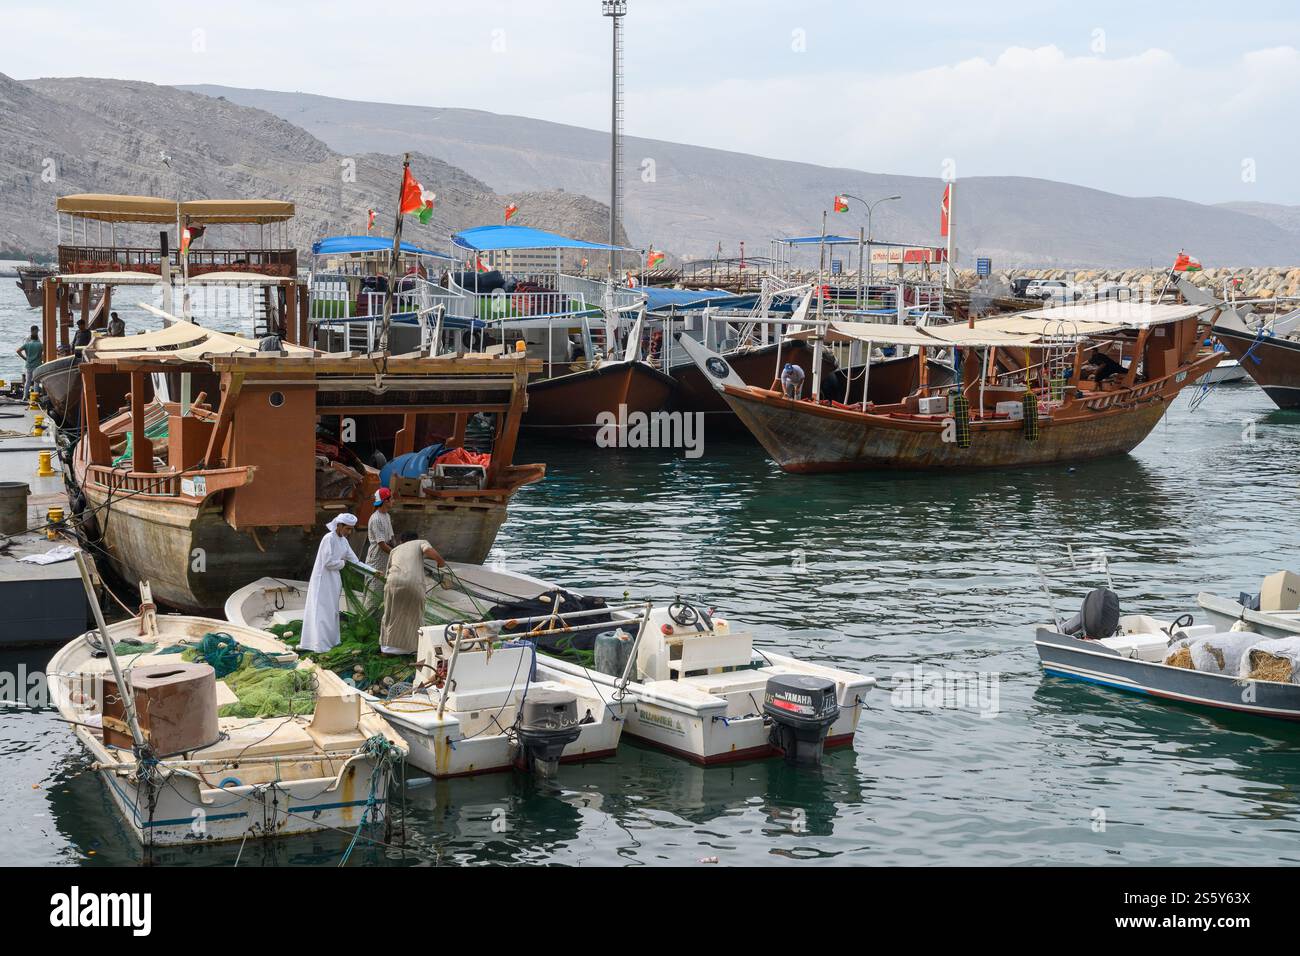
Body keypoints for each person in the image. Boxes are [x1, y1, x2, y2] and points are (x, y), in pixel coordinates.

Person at [300, 513, 360, 654]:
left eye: (351, 529)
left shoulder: (344, 541)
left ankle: (332, 641)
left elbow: (355, 561)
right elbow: (328, 562)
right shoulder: (328, 538)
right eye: (347, 529)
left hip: (334, 580)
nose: (349, 532)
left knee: (332, 611)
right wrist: (343, 563)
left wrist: (373, 572)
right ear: (339, 526)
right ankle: (319, 644)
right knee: (321, 611)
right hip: (322, 580)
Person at [379, 533, 446, 656]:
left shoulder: (394, 550)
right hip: (413, 583)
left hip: (392, 582)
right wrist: (440, 562)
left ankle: (387, 649)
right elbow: (428, 550)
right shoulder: (420, 542)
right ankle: (412, 649)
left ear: (401, 541)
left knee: (391, 614)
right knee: (415, 614)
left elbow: (388, 572)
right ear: (416, 538)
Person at [364, 488, 395, 600]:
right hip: (376, 561)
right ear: (385, 501)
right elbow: (381, 544)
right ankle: (366, 617)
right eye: (391, 498)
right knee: (373, 595)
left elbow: (391, 538)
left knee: (382, 595)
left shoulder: (386, 516)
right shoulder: (376, 519)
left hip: (386, 560)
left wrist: (397, 549)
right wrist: (396, 554)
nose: (393, 501)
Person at [16, 326, 42, 398]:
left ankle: (24, 397)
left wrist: (25, 358)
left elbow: (18, 350)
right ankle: (35, 398)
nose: (37, 332)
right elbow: (43, 351)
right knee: (36, 382)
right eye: (37, 331)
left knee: (27, 382)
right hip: (37, 364)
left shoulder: (27, 343)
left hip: (29, 364)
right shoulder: (40, 344)